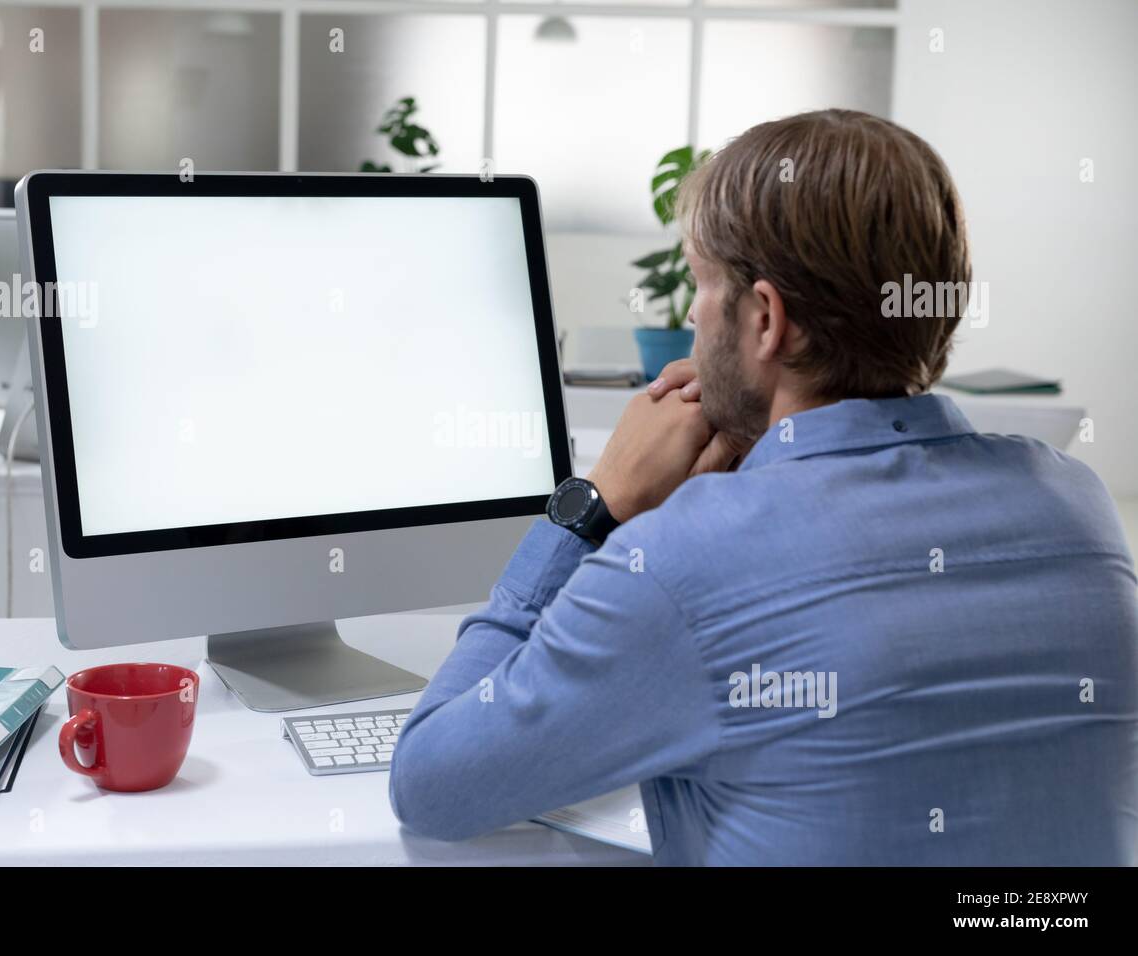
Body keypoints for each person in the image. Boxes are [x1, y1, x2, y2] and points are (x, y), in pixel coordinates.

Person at [389, 109, 1138, 865]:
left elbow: (431, 786)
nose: (690, 312)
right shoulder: (1077, 505)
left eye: (701, 282)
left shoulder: (683, 558)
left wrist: (594, 505)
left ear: (767, 319)